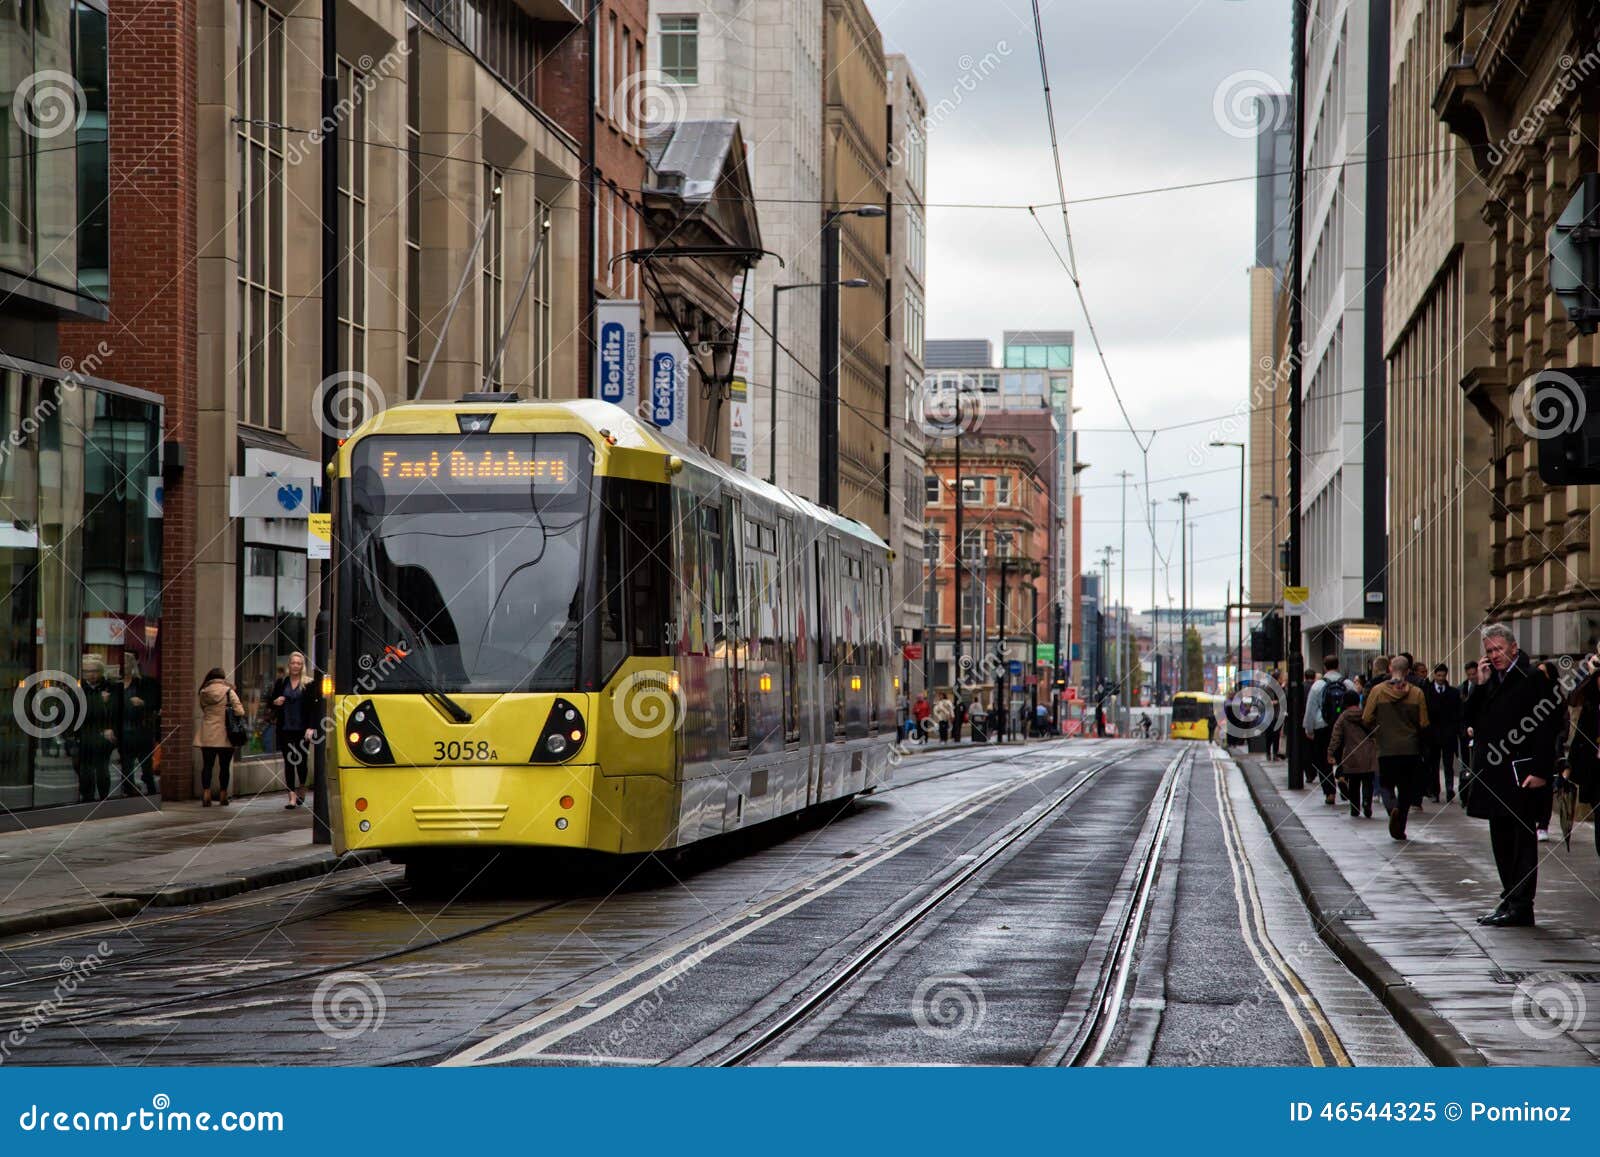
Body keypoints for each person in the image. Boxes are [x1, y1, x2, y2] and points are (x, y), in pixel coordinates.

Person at [1463, 625, 1561, 926]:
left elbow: (1549, 726)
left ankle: (1521, 906)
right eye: (1489, 651)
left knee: (1521, 842)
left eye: (1499, 650)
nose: (1494, 656)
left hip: (1521, 774)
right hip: (1495, 774)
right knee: (1501, 840)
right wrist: (1480, 685)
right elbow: (1470, 721)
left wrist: (1542, 771)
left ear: (1513, 648)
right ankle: (1509, 899)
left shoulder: (1532, 679)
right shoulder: (1491, 680)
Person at [1362, 654, 1430, 840]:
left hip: (1385, 747)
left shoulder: (1377, 691)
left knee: (1386, 784)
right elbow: (1424, 723)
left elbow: (1366, 718)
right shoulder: (1417, 693)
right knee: (1406, 788)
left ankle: (1392, 808)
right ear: (1408, 671)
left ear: (1390, 669)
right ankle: (1400, 824)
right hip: (1410, 748)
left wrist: (1378, 730)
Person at [269, 651, 323, 809]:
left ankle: (302, 787)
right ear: (289, 665)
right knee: (288, 761)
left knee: (300, 760)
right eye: (293, 663)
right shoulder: (282, 683)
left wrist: (312, 727)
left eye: (298, 663)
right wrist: (276, 702)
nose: (295, 666)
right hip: (285, 728)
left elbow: (314, 708)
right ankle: (291, 797)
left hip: (302, 728)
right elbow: (270, 702)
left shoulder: (309, 683)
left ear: (302, 666)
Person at [1303, 655, 1356, 805]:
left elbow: (1311, 709)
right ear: (1338, 665)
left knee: (1322, 760)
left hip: (1323, 727)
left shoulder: (1318, 685)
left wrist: (1309, 729)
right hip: (1344, 725)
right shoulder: (1348, 684)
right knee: (1344, 756)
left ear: (1324, 667)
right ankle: (1342, 776)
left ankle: (1330, 793)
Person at [72, 654, 122, 803]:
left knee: (101, 768)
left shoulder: (112, 688)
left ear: (101, 672)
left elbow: (117, 712)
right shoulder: (78, 689)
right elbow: (72, 712)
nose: (90, 674)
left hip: (103, 734)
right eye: (86, 671)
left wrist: (112, 730)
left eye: (94, 671)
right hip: (84, 735)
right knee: (84, 769)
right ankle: (87, 797)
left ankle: (103, 797)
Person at [194, 667, 245, 808]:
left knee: (207, 766)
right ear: (223, 678)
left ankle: (206, 794)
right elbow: (240, 711)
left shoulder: (203, 692)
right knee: (224, 767)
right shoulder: (229, 692)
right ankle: (223, 795)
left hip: (208, 733)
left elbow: (203, 708)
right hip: (225, 735)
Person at [1327, 682, 1378, 818]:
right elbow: (1375, 730)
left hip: (1351, 754)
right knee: (1368, 781)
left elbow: (1336, 736)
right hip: (1368, 754)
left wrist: (1330, 752)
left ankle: (1355, 808)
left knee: (1354, 783)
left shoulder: (1343, 717)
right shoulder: (1365, 714)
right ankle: (1367, 802)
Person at [119, 655, 161, 797]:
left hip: (141, 730)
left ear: (132, 665)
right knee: (126, 765)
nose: (122, 666)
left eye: (125, 663)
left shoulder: (145, 683)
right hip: (123, 730)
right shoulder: (114, 685)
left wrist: (143, 703)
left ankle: (151, 790)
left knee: (146, 766)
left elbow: (156, 703)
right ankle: (130, 790)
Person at [1422, 663, 1462, 804]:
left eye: (1443, 676)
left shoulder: (1453, 693)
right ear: (1434, 675)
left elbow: (1457, 712)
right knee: (1433, 765)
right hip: (1432, 735)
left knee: (1448, 764)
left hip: (1448, 734)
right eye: (1438, 675)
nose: (1440, 678)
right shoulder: (1426, 692)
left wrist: (1455, 729)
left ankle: (1449, 789)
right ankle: (1435, 791)